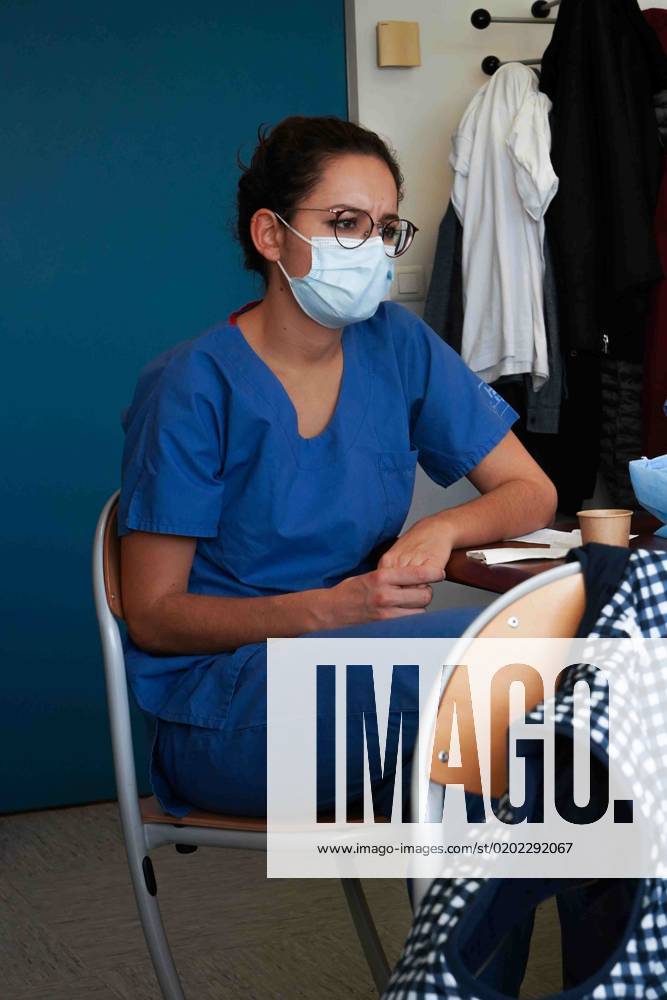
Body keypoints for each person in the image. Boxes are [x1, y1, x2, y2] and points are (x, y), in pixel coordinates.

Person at [117, 111, 555, 952]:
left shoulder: (396, 345)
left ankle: (558, 961)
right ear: (270, 235)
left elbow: (528, 490)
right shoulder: (192, 385)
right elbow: (156, 615)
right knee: (494, 691)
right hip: (226, 706)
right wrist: (328, 609)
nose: (372, 248)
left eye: (385, 227)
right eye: (344, 224)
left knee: (574, 645)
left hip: (361, 667)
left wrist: (444, 529)